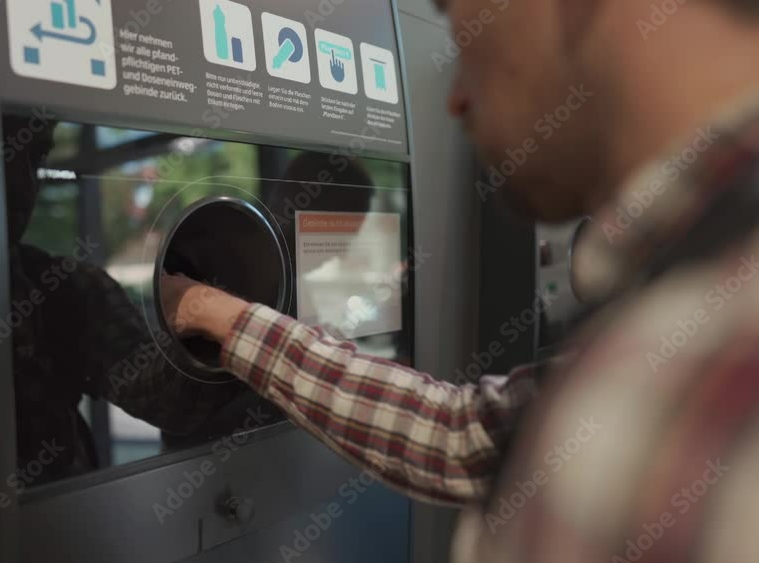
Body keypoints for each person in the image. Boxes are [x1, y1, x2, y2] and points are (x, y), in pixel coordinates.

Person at [161, 0, 759, 560]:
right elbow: (460, 434)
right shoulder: (671, 319)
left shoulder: (706, 363)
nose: (454, 98)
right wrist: (221, 315)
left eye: (462, 21)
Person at [3, 115, 245, 483]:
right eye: (0, 154)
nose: (22, 184)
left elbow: (165, 398)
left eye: (36, 158)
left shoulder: (61, 288)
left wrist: (219, 317)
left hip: (62, 525)